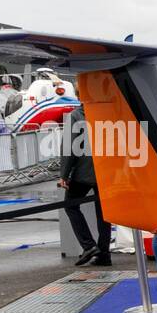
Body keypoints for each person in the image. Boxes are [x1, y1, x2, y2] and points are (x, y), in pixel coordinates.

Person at [59, 106, 112, 266]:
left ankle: (88, 245)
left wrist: (64, 174)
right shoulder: (106, 111)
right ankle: (104, 254)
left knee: (71, 205)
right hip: (106, 169)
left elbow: (69, 147)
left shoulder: (76, 115)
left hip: (84, 169)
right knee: (104, 213)